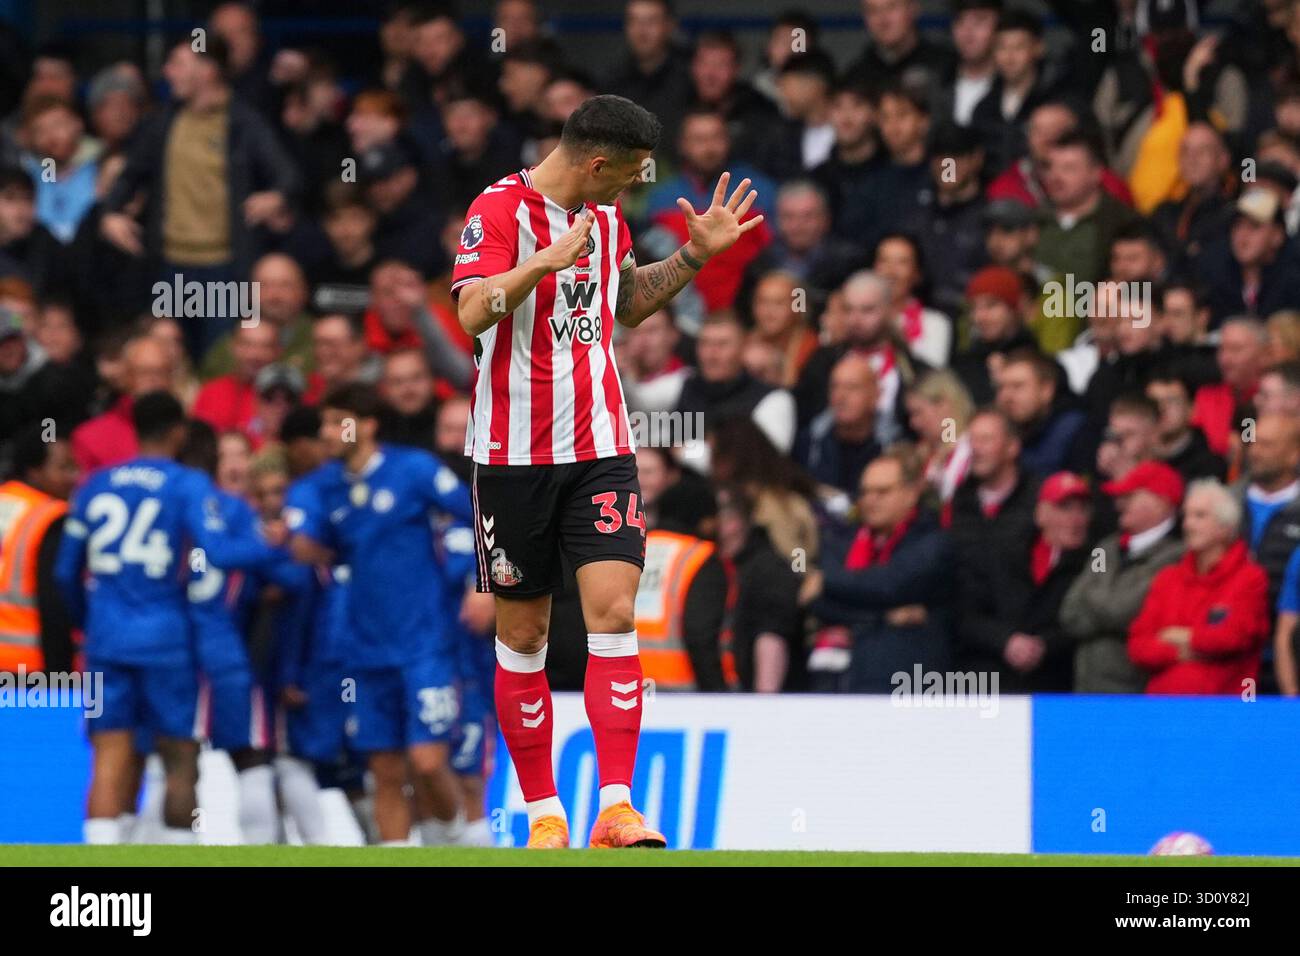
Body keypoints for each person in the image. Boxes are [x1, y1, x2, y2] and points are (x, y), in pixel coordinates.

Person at [451, 93, 762, 849]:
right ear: (596, 163)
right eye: (623, 178)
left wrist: (693, 256)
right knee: (523, 637)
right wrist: (540, 264)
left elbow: (624, 305)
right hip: (512, 457)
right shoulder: (496, 213)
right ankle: (544, 814)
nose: (626, 193)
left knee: (615, 616)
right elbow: (471, 312)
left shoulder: (607, 219)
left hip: (601, 450)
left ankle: (616, 807)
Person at [54, 391, 289, 846]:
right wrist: (273, 543)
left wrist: (91, 620)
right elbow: (216, 551)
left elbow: (66, 571)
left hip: (105, 640)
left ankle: (101, 870)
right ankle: (179, 855)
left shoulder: (95, 485)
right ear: (178, 432)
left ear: (133, 430)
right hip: (167, 639)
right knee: (180, 756)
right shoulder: (186, 484)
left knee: (110, 755)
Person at [286, 384, 473, 846]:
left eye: (337, 422)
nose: (327, 432)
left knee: (428, 761)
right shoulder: (324, 487)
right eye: (325, 423)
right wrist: (298, 545)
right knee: (383, 770)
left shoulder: (413, 469)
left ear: (367, 426)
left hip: (423, 643)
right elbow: (311, 544)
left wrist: (479, 582)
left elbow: (475, 514)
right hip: (365, 649)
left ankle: (455, 839)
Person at [801, 443, 954, 693]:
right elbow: (816, 602)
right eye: (865, 492)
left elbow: (890, 584)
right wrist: (883, 617)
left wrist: (829, 582)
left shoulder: (933, 542)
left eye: (882, 492)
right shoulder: (842, 542)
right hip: (839, 684)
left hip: (910, 686)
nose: (870, 500)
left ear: (911, 494)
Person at [1128, 479, 1269, 695]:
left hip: (1223, 711)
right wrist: (1182, 653)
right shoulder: (1168, 578)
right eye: (1187, 516)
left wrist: (1180, 636)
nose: (1188, 525)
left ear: (1225, 527)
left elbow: (1232, 638)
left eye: (1200, 516)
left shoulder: (1250, 578)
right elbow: (1138, 646)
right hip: (1161, 709)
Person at [957, 470, 1091, 691]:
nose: (1076, 519)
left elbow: (1086, 620)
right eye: (1065, 508)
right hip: (992, 681)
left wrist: (1044, 646)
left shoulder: (1095, 562)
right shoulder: (1001, 553)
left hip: (1056, 684)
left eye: (1082, 509)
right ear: (1040, 514)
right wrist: (1005, 640)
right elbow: (968, 614)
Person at [1060, 460, 1186, 692]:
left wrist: (1097, 597)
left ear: (1161, 503)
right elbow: (1070, 613)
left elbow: (1122, 609)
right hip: (1085, 688)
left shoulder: (1176, 556)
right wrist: (1109, 610)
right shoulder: (1105, 548)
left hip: (1133, 693)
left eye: (1130, 497)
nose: (1119, 504)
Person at [637, 481, 734, 692]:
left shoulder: (633, 549)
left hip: (624, 691)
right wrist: (718, 694)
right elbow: (700, 634)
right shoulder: (700, 557)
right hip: (681, 694)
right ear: (705, 521)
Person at [0, 424, 79, 674]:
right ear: (34, 471)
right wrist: (62, 677)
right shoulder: (49, 519)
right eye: (63, 468)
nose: (74, 477)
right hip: (27, 667)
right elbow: (54, 606)